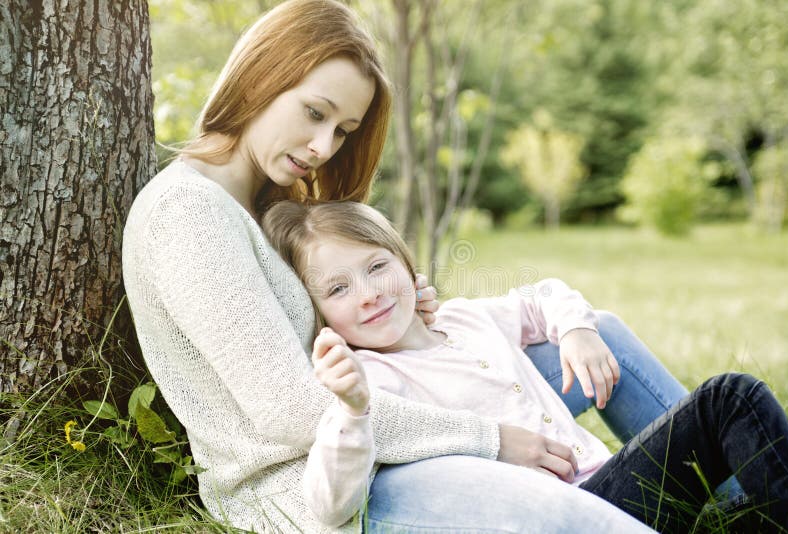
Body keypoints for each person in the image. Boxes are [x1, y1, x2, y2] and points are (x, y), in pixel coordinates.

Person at [123, 0, 694, 532]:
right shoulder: (188, 213)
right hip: (320, 487)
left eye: (341, 131)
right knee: (560, 512)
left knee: (598, 336)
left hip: (388, 423)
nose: (323, 147)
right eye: (315, 113)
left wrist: (399, 313)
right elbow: (289, 410)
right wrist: (491, 439)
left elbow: (306, 336)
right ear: (260, 77)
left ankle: (736, 496)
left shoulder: (264, 203)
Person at [262, 200, 788, 533]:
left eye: (377, 266)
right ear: (320, 315)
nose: (368, 293)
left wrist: (578, 330)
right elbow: (331, 503)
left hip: (611, 480)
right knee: (731, 397)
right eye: (338, 289)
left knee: (734, 402)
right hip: (573, 512)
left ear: (407, 264)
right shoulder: (371, 379)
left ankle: (748, 512)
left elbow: (542, 295)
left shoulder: (465, 317)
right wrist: (352, 409)